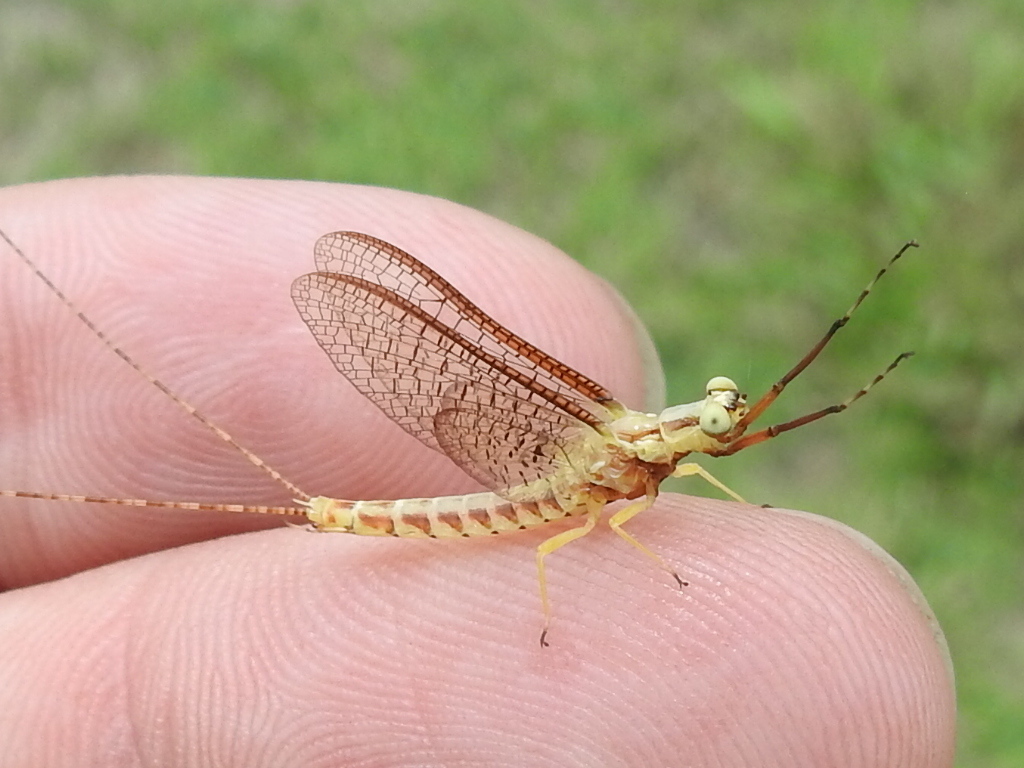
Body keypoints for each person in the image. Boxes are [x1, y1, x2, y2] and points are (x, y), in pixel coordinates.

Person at [0, 177, 955, 766]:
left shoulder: (670, 460)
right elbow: (563, 550)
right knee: (574, 535)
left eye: (720, 419)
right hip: (510, 506)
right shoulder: (627, 469)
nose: (725, 422)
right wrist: (584, 606)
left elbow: (723, 455)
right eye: (715, 415)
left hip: (562, 487)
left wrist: (841, 370)